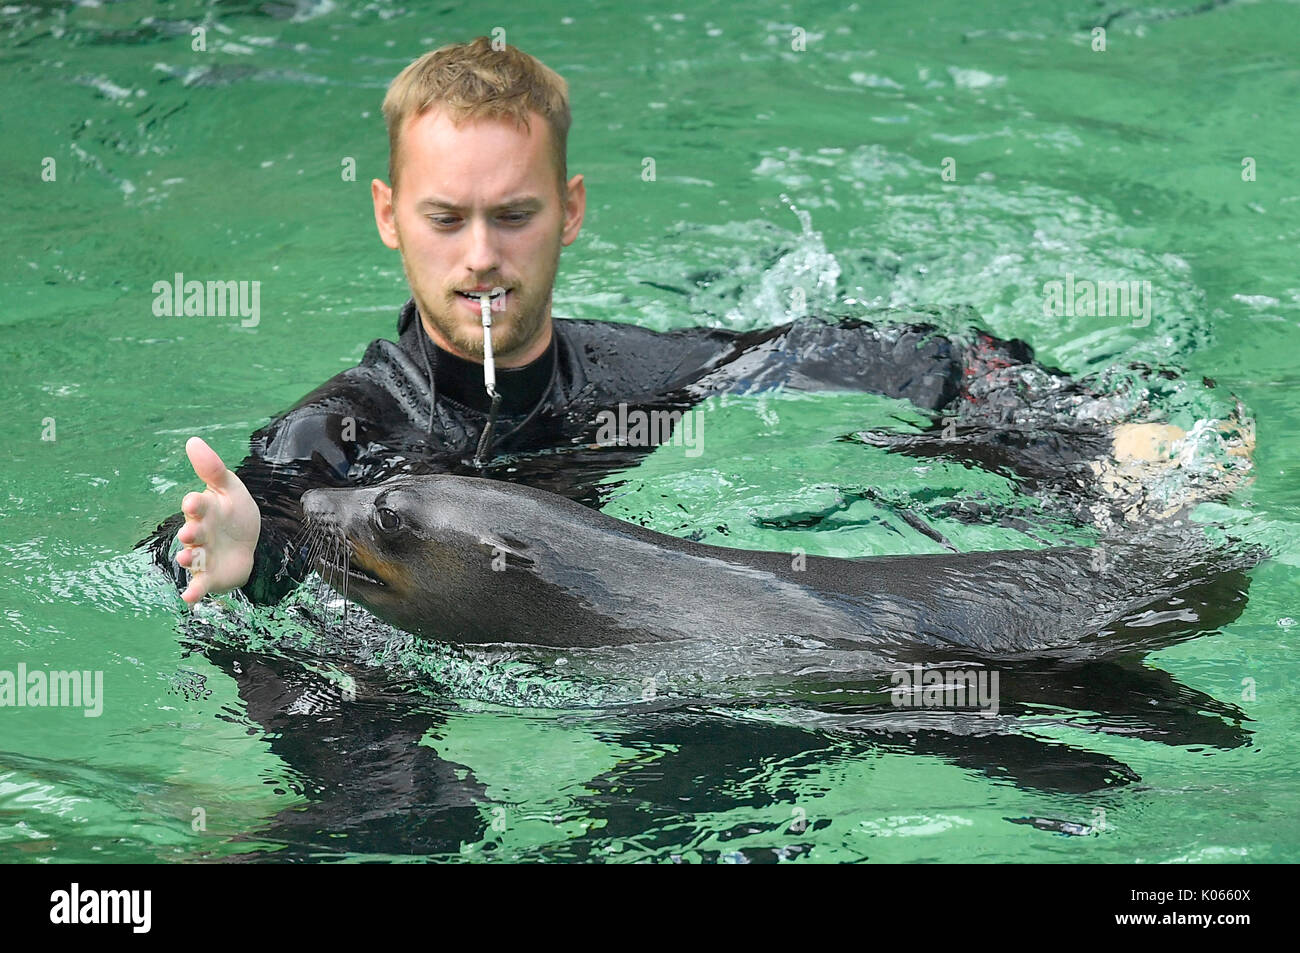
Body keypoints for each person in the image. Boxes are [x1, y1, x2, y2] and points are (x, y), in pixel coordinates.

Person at [141, 37, 1212, 607]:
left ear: (570, 210)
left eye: (513, 214)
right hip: (389, 679)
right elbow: (219, 523)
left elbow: (861, 353)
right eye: (444, 218)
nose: (479, 255)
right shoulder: (341, 431)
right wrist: (252, 553)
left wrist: (1082, 436)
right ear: (388, 217)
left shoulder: (626, 379)